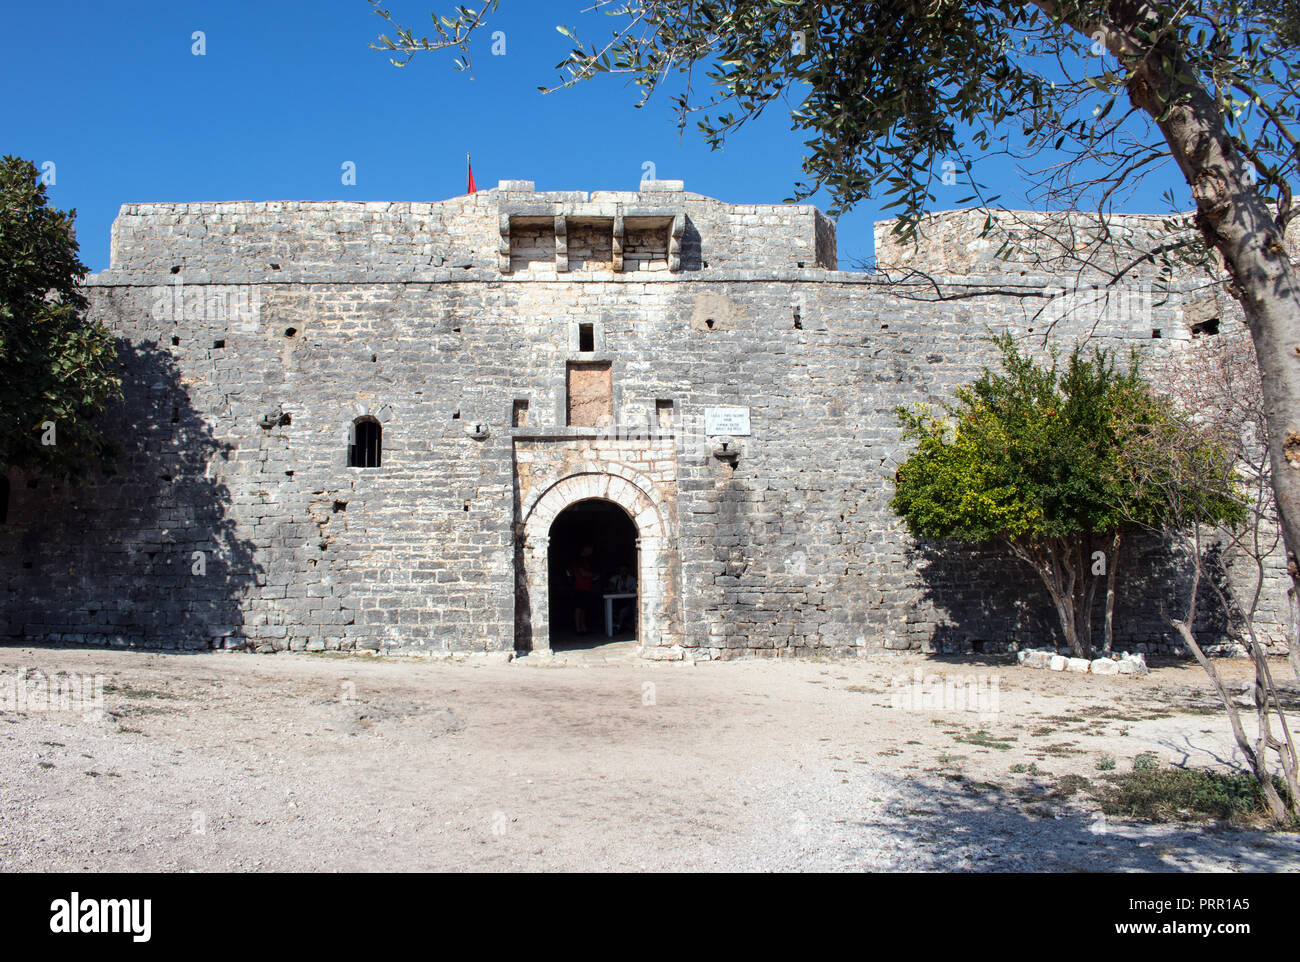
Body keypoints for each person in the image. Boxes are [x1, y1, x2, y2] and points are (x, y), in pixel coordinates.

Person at [571, 545, 600, 635]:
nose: (591, 551)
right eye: (590, 549)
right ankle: (578, 629)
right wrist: (594, 575)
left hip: (587, 587)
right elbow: (583, 573)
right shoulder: (579, 560)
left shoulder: (586, 560)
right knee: (578, 608)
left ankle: (583, 628)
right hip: (579, 587)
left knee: (584, 608)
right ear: (584, 549)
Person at [608, 563, 636, 634]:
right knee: (612, 610)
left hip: (628, 601)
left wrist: (628, 591)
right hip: (616, 601)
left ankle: (619, 626)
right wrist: (613, 586)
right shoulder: (615, 578)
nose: (623, 572)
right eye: (622, 570)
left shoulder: (632, 579)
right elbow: (610, 587)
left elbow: (635, 590)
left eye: (625, 570)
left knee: (623, 611)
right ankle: (614, 626)